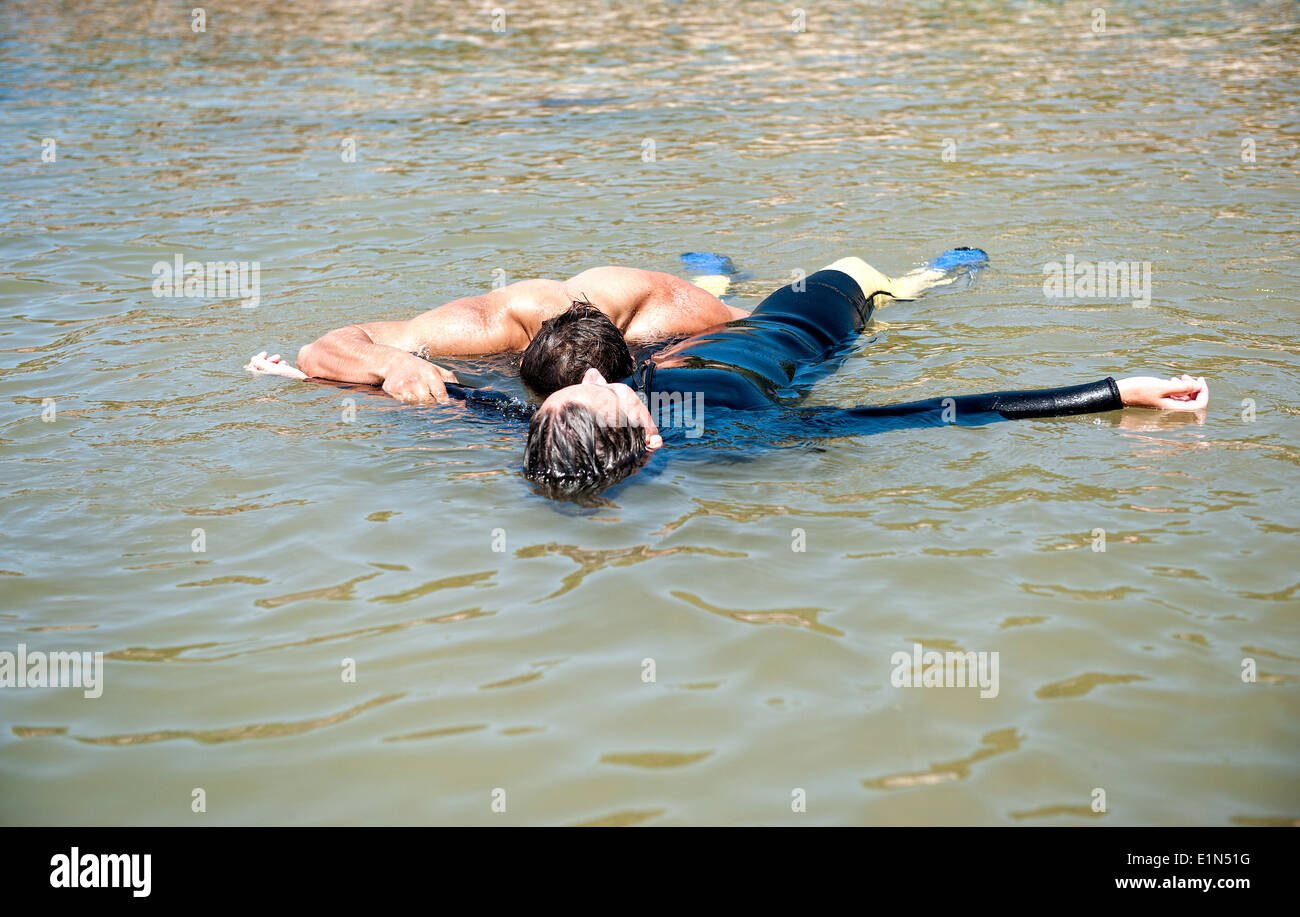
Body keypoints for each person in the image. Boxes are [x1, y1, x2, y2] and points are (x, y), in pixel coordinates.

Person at [521, 253, 1209, 500]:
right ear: (649, 444)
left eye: (561, 398)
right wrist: (1116, 391)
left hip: (698, 330)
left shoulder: (564, 429)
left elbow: (464, 398)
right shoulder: (751, 431)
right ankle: (920, 281)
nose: (583, 378)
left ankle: (713, 277)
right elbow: (933, 410)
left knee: (675, 312)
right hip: (799, 330)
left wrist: (410, 364)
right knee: (850, 271)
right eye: (592, 395)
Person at [283, 267, 750, 402]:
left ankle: (713, 273)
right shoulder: (496, 325)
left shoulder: (684, 318)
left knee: (713, 291)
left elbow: (778, 328)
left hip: (665, 319)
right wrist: (392, 364)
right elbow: (319, 349)